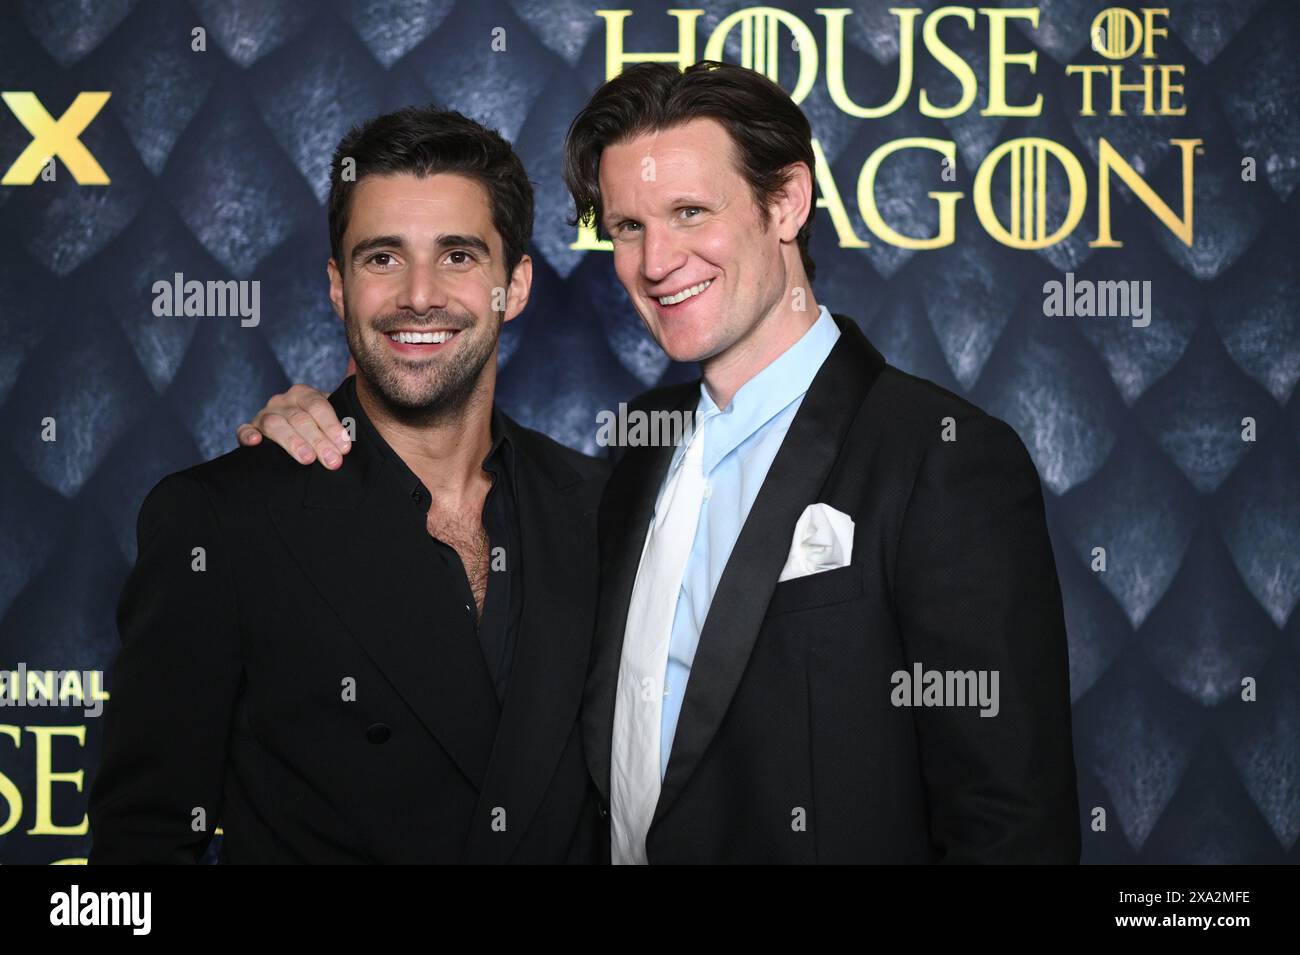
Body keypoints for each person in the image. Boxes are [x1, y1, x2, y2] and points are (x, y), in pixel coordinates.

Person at [239, 63, 1081, 864]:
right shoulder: (624, 460)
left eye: (689, 212)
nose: (656, 261)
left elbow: (1010, 827)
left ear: (786, 201)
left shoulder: (939, 458)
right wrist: (326, 420)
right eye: (630, 227)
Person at [88, 106, 606, 863]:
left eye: (458, 255)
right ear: (337, 286)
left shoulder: (599, 511)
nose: (419, 295)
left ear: (515, 285)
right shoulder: (223, 521)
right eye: (382, 258)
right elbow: (143, 842)